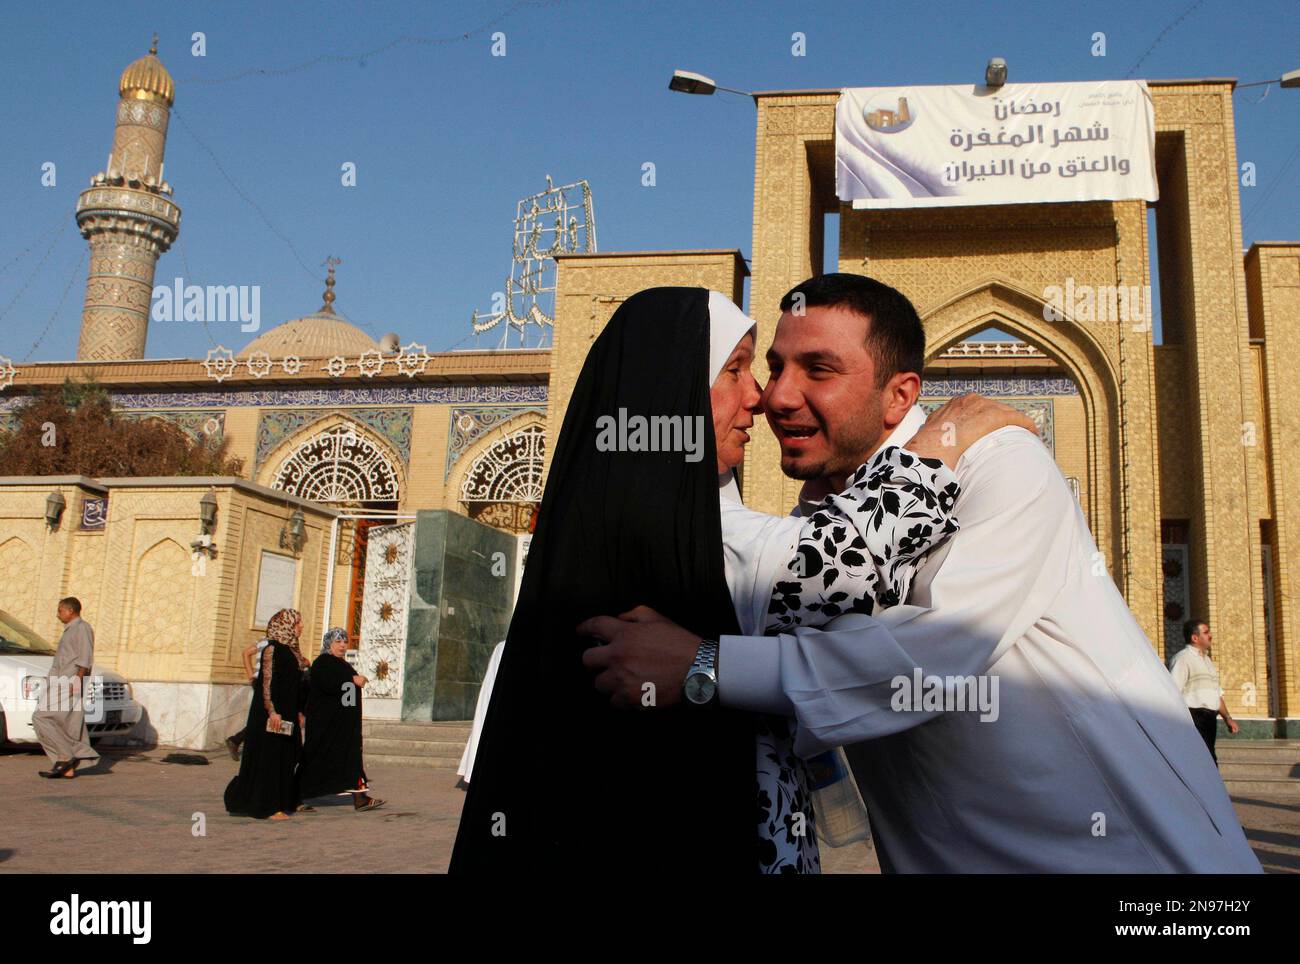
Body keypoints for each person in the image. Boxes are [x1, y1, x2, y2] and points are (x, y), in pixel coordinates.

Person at [579, 272, 1262, 873]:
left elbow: (926, 660)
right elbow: (806, 575)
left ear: (899, 395)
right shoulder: (817, 525)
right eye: (769, 367)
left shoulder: (999, 464)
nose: (775, 396)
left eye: (818, 370)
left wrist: (707, 668)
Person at [450, 287, 971, 874]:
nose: (761, 397)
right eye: (736, 370)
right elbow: (839, 574)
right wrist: (947, 441)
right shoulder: (665, 536)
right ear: (671, 393)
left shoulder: (657, 523)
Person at [223, 608, 309, 820]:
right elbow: (267, 683)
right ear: (286, 625)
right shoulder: (272, 649)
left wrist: (300, 710)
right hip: (272, 714)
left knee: (289, 755)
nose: (301, 627)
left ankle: (286, 799)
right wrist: (272, 711)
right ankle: (267, 806)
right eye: (297, 623)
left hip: (289, 711)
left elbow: (296, 683)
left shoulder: (292, 650)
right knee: (271, 758)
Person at [298, 627, 384, 811]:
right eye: (338, 642)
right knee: (315, 761)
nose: (343, 646)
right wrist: (352, 681)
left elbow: (347, 697)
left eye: (345, 642)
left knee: (352, 760)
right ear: (329, 643)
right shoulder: (322, 663)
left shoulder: (342, 664)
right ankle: (295, 795)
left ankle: (360, 798)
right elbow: (328, 686)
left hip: (344, 726)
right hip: (325, 726)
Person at [33, 597, 100, 779]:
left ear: (70, 611)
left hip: (69, 682)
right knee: (65, 723)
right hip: (60, 682)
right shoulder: (69, 630)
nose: (58, 614)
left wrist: (77, 681)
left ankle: (66, 756)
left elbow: (85, 657)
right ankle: (66, 767)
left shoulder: (82, 628)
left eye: (60, 610)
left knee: (40, 717)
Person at [1170, 619, 1239, 762]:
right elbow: (1173, 692)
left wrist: (1228, 718)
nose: (1211, 635)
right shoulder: (1183, 659)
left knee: (1208, 757)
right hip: (1193, 717)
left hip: (1209, 719)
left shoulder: (1207, 661)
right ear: (1195, 638)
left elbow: (1215, 694)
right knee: (1203, 759)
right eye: (1206, 632)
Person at [225, 636, 269, 760]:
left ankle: (237, 740)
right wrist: (251, 676)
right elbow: (246, 653)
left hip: (260, 681)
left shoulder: (264, 640)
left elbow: (246, 653)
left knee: (263, 717)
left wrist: (252, 676)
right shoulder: (271, 642)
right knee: (263, 717)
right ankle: (236, 740)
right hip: (263, 682)